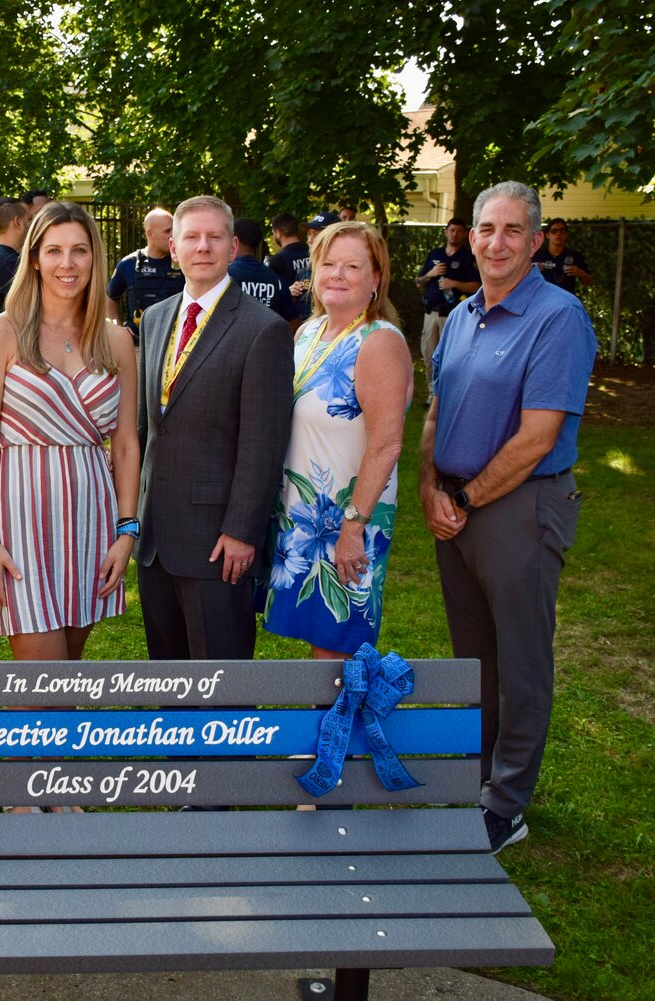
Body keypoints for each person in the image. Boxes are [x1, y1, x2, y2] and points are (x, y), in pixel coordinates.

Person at [419, 181, 596, 854]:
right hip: (457, 506)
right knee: (477, 658)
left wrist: (464, 499)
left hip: (518, 506)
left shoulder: (558, 317)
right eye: (485, 228)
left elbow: (538, 436)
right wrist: (431, 485)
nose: (495, 242)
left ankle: (508, 801)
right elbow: (436, 412)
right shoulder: (464, 314)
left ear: (533, 238)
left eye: (513, 230)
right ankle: (477, 777)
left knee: (520, 659)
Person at [0, 201, 141, 659]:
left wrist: (127, 531)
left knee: (68, 674)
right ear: (35, 258)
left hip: (92, 518)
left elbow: (124, 444)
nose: (67, 263)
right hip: (21, 520)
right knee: (41, 687)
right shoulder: (1, 333)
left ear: (94, 258)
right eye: (54, 250)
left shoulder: (116, 340)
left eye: (79, 250)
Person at [136, 195, 294, 660]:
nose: (202, 246)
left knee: (219, 689)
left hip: (217, 543)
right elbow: (150, 428)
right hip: (156, 540)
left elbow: (263, 443)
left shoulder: (262, 329)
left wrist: (242, 531)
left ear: (232, 247)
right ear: (174, 245)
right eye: (191, 237)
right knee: (170, 682)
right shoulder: (156, 319)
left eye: (214, 237)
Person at [262, 222, 414, 657]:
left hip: (348, 519)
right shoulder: (309, 332)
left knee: (335, 647)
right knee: (318, 645)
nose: (338, 274)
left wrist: (353, 526)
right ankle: (325, 723)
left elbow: (387, 444)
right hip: (304, 516)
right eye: (328, 264)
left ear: (376, 278)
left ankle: (339, 726)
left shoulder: (379, 341)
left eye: (352, 265)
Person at [414, 216, 479, 396]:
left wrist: (455, 284)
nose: (455, 234)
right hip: (430, 313)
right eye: (452, 230)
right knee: (428, 355)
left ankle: (448, 393)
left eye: (459, 231)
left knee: (450, 357)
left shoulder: (468, 258)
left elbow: (477, 286)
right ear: (445, 232)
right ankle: (431, 393)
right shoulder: (435, 255)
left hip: (453, 315)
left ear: (465, 234)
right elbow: (419, 282)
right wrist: (431, 273)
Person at [106, 207, 185, 339]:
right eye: (167, 231)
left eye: (174, 230)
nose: (173, 235)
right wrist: (118, 329)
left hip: (175, 341)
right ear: (150, 234)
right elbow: (110, 297)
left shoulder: (184, 263)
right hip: (139, 343)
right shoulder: (128, 264)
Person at [227, 217, 294, 322]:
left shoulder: (224, 276)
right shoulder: (277, 281)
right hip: (269, 337)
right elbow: (293, 321)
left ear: (234, 241)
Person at [267, 212, 312, 330]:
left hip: (291, 321)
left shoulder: (277, 260)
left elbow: (272, 293)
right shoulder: (313, 254)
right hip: (316, 316)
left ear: (278, 232)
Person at [531, 218, 593, 294]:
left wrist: (580, 272)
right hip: (541, 300)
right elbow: (521, 279)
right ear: (547, 235)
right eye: (554, 231)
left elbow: (588, 282)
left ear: (566, 234)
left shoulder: (574, 255)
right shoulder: (537, 254)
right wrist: (532, 268)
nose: (558, 234)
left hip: (565, 302)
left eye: (562, 231)